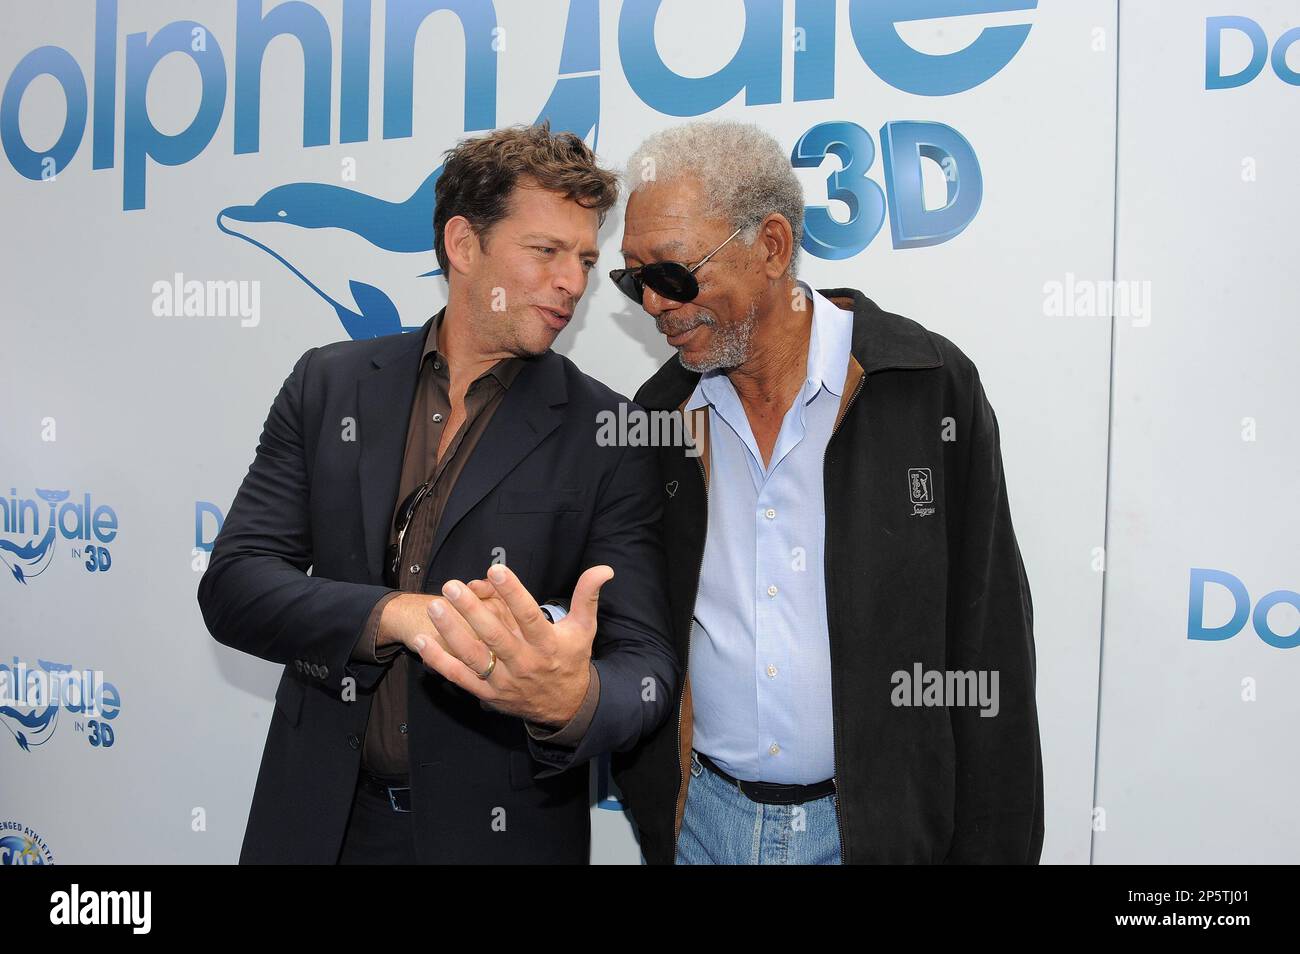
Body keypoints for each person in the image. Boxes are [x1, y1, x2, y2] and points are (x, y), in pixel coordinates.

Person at [197, 122, 677, 864]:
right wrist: (392, 615)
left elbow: (643, 662)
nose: (574, 284)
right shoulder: (329, 385)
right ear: (462, 245)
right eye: (546, 251)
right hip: (319, 824)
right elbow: (235, 584)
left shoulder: (611, 433)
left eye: (584, 258)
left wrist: (570, 699)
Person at [607, 120, 1043, 863]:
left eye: (674, 275)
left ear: (772, 246)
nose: (653, 304)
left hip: (875, 838)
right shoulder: (657, 419)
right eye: (631, 279)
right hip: (701, 828)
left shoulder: (927, 389)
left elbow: (986, 640)